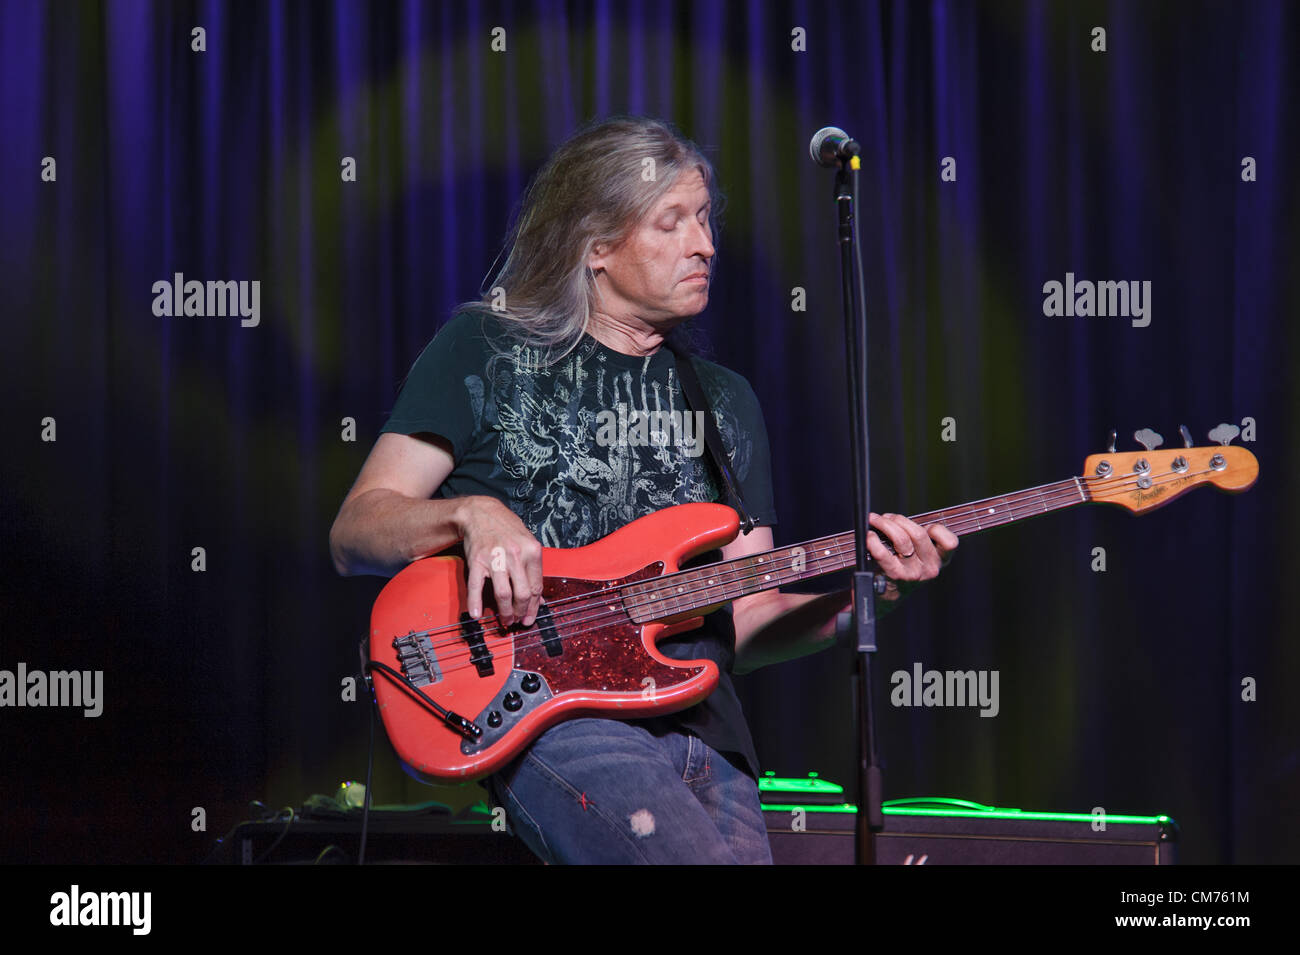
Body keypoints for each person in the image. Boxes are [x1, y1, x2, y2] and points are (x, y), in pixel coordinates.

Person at [329, 116, 958, 864]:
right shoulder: (483, 350)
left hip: (709, 737)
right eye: (673, 222)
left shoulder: (725, 402)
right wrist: (472, 514)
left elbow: (749, 615)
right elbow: (356, 530)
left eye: (704, 218)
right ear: (596, 245)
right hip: (556, 718)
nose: (706, 245)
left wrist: (859, 601)